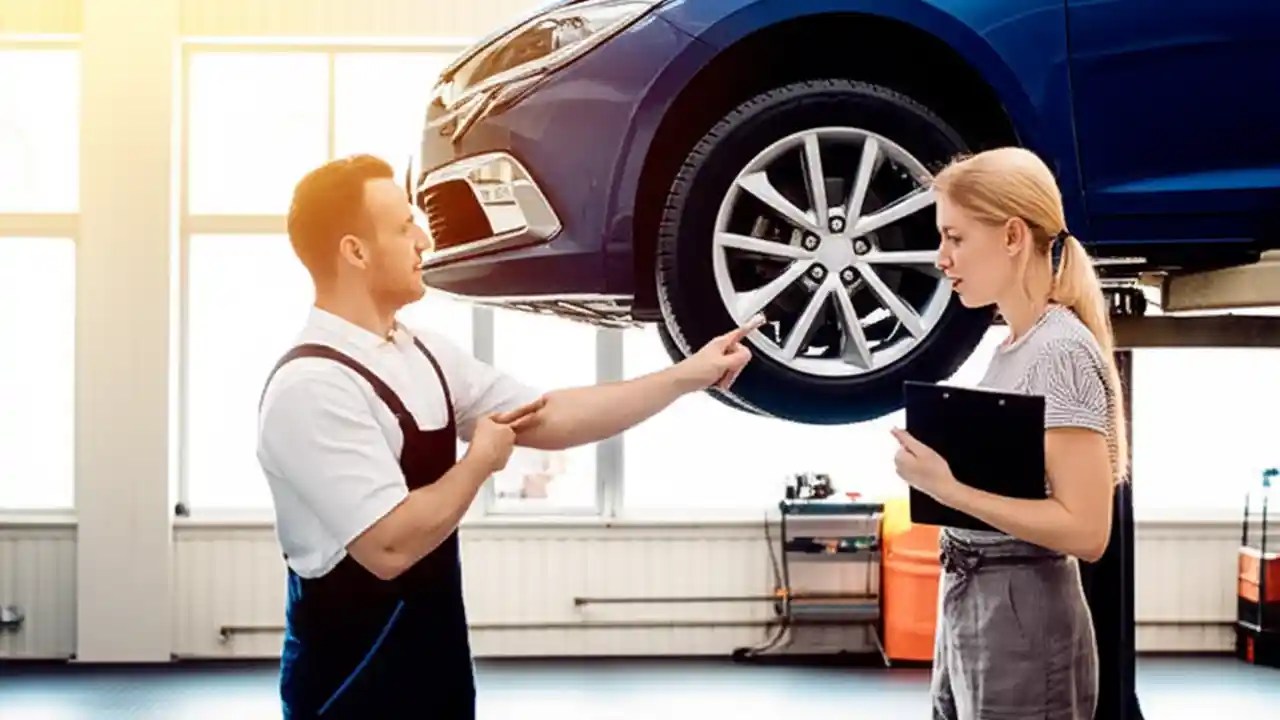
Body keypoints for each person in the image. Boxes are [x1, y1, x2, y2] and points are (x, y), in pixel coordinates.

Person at [255, 154, 758, 719]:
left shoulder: (422, 353)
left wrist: (687, 375)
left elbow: (550, 416)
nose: (423, 240)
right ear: (355, 251)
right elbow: (388, 547)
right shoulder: (312, 386)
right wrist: (478, 464)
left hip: (435, 670)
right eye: (403, 226)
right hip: (346, 688)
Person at [888, 146, 1127, 720]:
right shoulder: (1015, 346)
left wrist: (949, 490)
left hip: (1022, 618)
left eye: (955, 237)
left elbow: (1087, 531)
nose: (942, 258)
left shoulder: (1061, 351)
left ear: (1013, 235)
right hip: (978, 604)